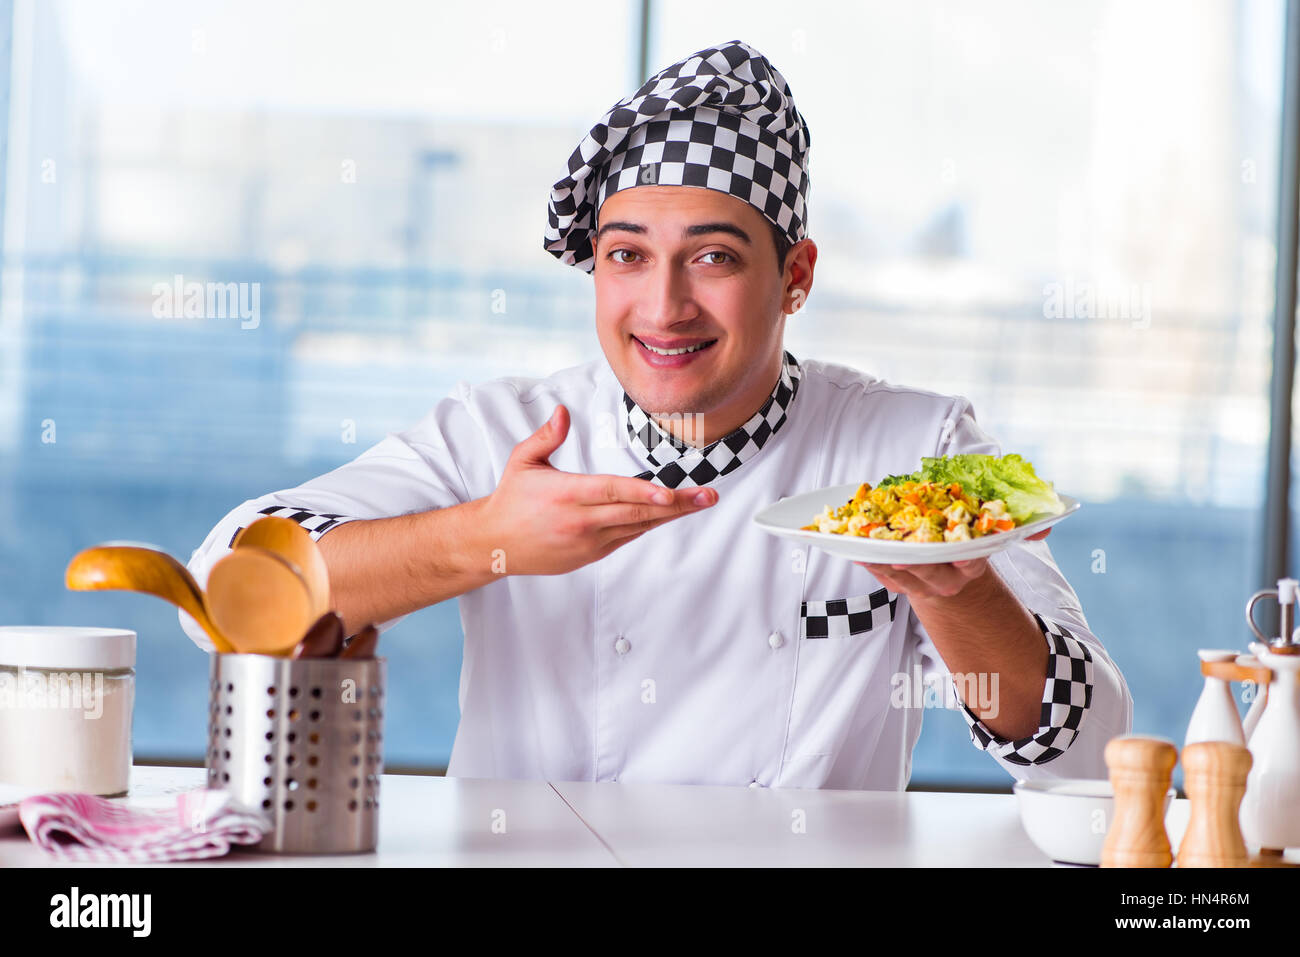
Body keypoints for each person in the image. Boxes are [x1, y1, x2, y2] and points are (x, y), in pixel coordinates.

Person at [181, 39, 1132, 788]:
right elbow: (224, 582)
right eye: (628, 256)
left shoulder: (915, 453)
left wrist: (952, 589)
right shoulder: (501, 430)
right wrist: (485, 538)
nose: (665, 306)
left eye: (713, 257)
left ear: (795, 275)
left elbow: (1089, 750)